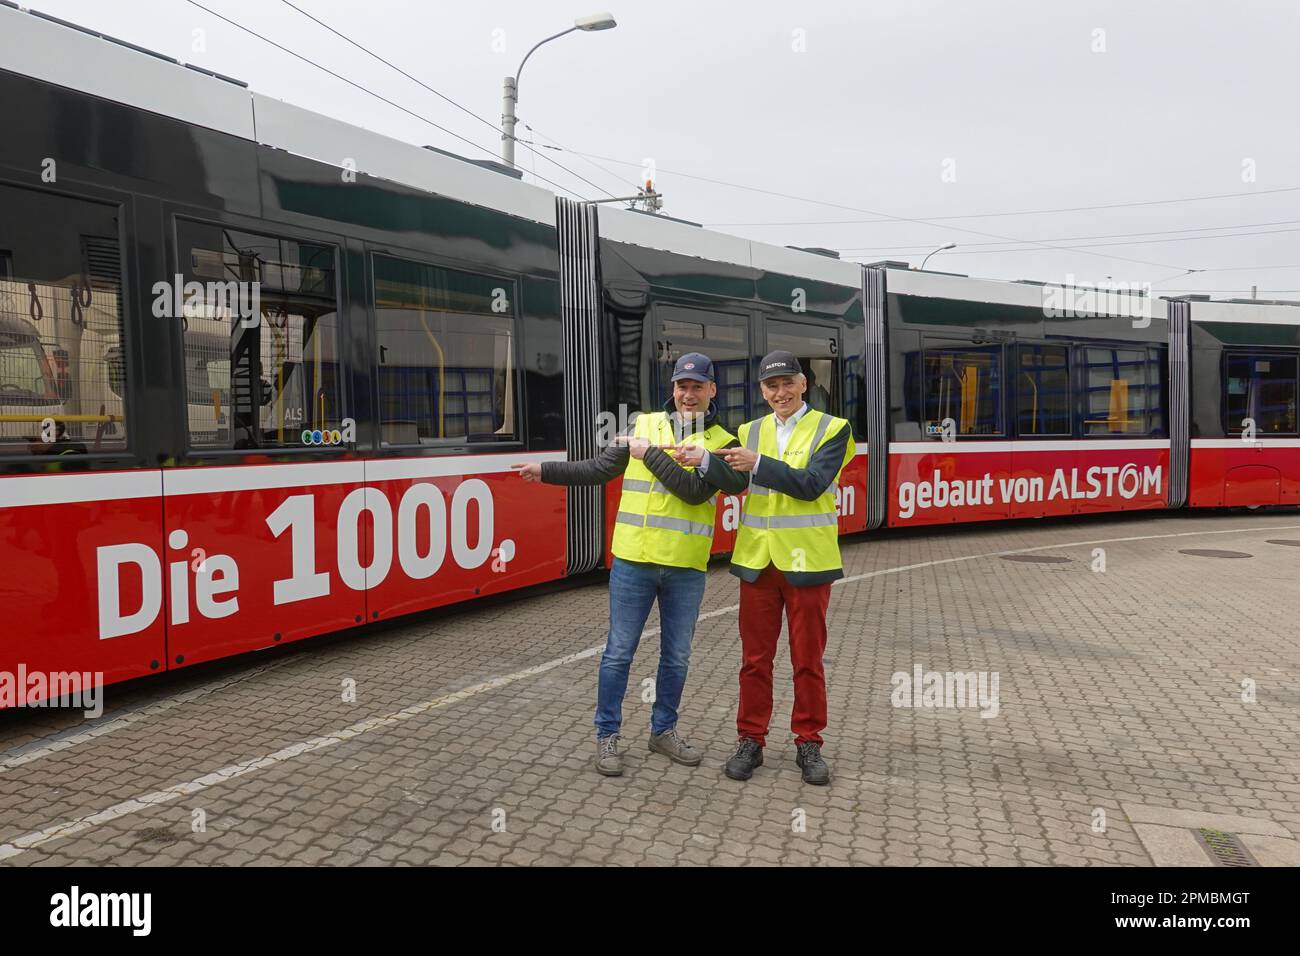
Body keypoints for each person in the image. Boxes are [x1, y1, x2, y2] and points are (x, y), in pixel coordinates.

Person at [512, 353, 747, 776]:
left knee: (676, 657)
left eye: (697, 387)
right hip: (633, 563)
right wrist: (544, 470)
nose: (688, 395)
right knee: (618, 653)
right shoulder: (642, 425)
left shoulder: (723, 443)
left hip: (684, 568)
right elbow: (599, 469)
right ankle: (607, 737)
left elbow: (693, 493)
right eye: (682, 386)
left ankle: (663, 732)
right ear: (672, 390)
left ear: (712, 390)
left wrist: (649, 455)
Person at [715, 350, 854, 786]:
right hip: (757, 561)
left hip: (807, 563)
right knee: (754, 660)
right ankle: (750, 740)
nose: (780, 393)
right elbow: (734, 483)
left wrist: (756, 463)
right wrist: (702, 461)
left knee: (807, 659)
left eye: (787, 384)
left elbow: (812, 485)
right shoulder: (748, 430)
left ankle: (808, 742)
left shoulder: (834, 429)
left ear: (803, 384)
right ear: (761, 390)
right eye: (771, 386)